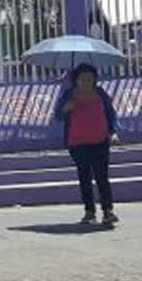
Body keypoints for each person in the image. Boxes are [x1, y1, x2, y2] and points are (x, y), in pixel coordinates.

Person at [54, 63, 119, 225]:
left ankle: (107, 210)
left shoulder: (101, 94)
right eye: (82, 79)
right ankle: (89, 211)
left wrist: (114, 132)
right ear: (76, 80)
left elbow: (111, 114)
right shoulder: (69, 95)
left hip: (100, 141)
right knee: (84, 177)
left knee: (102, 177)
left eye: (90, 79)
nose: (86, 82)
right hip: (78, 143)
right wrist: (65, 108)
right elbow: (57, 115)